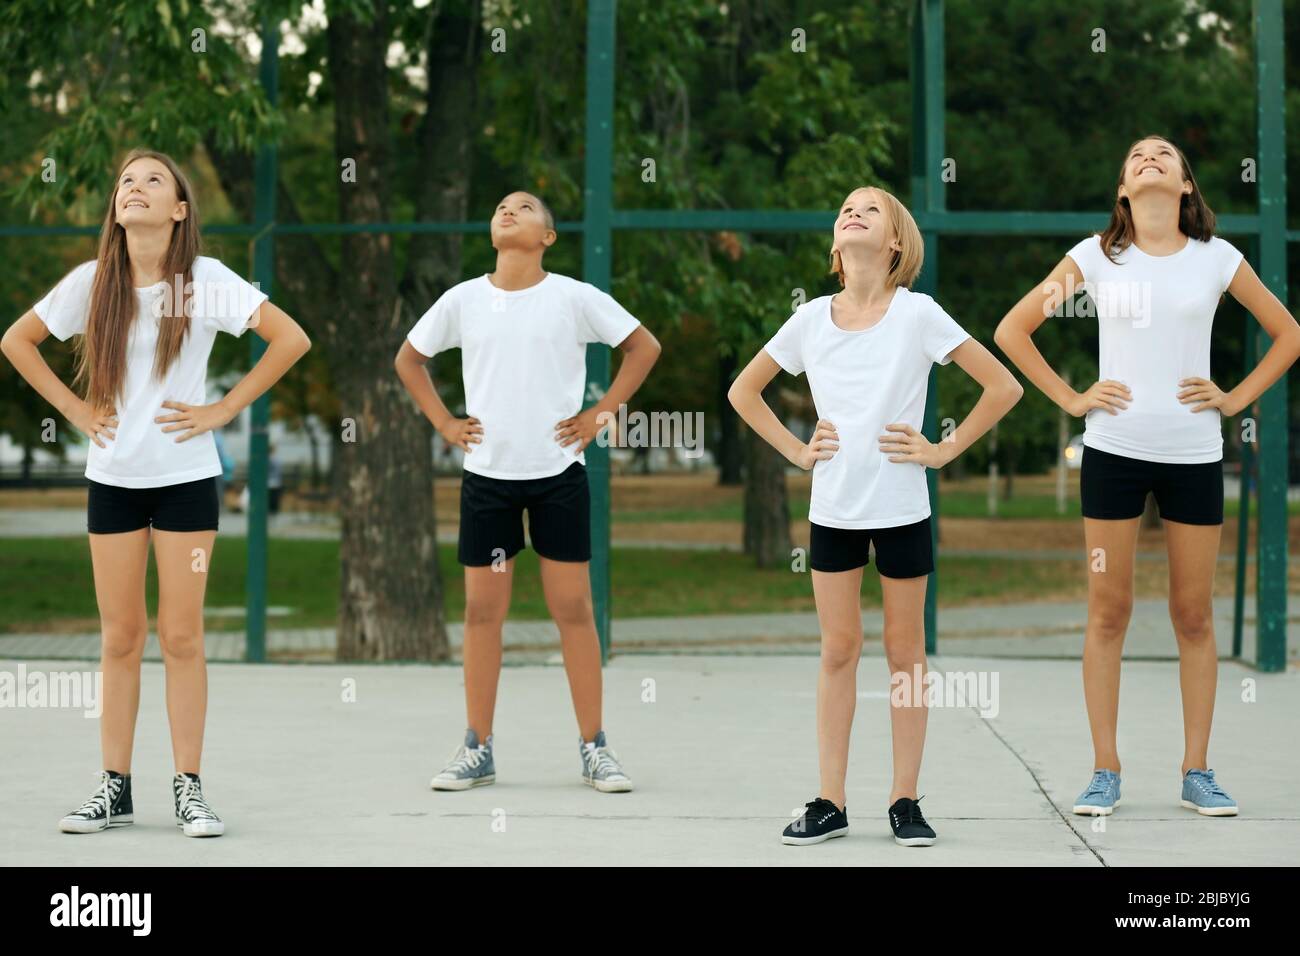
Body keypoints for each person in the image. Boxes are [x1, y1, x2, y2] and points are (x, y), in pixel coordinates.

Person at [1, 149, 311, 837]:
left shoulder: (205, 280)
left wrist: (224, 409)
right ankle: (113, 788)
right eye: (124, 181)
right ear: (116, 208)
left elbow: (291, 338)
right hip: (112, 483)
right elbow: (16, 341)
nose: (134, 187)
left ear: (178, 210)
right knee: (119, 638)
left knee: (180, 635)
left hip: (185, 484)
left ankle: (190, 788)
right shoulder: (91, 283)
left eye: (152, 180)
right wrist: (78, 411)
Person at [994, 135, 1300, 818]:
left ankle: (1197, 770)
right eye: (1136, 156)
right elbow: (1013, 330)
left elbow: (1290, 334)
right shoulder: (1094, 257)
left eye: (1166, 154)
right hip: (1114, 452)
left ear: (1186, 187)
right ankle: (1105, 768)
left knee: (1193, 615)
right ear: (1124, 191)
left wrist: (1234, 398)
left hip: (1193, 453)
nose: (1151, 158)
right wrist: (1073, 398)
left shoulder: (1217, 259)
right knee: (1110, 610)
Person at [728, 185, 1021, 846]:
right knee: (839, 649)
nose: (853, 212)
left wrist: (944, 448)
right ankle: (830, 801)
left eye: (871, 209)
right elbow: (743, 391)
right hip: (833, 508)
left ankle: (905, 800)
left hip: (901, 509)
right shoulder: (808, 321)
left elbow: (1004, 386)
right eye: (844, 210)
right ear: (836, 247)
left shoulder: (918, 314)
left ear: (895, 243)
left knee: (904, 652)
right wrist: (798, 452)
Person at [394, 191, 661, 792]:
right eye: (500, 208)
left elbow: (643, 346)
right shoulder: (463, 299)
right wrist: (444, 423)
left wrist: (601, 414)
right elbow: (409, 360)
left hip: (558, 478)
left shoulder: (572, 296)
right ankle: (477, 747)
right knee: (482, 614)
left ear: (548, 236)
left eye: (524, 207)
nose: (507, 211)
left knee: (573, 610)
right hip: (487, 480)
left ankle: (596, 747)